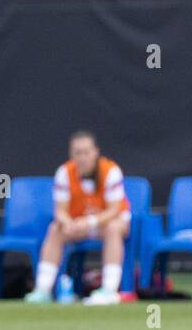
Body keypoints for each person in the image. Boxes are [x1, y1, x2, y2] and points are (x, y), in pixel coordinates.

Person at [26, 130, 131, 305]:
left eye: (86, 152)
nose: (82, 157)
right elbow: (60, 210)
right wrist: (68, 223)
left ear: (96, 151)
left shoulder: (111, 171)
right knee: (55, 228)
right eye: (77, 153)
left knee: (113, 228)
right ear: (71, 154)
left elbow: (114, 210)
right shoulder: (64, 172)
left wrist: (90, 221)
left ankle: (109, 290)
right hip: (78, 225)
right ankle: (42, 290)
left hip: (107, 223)